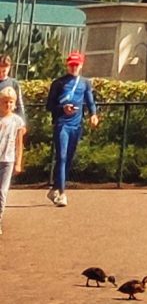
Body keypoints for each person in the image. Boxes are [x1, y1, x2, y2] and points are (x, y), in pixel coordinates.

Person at [46, 51, 98, 207]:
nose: (74, 67)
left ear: (81, 65)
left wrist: (93, 114)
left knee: (68, 159)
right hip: (62, 124)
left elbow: (90, 101)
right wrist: (63, 108)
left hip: (76, 125)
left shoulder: (85, 83)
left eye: (77, 64)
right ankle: (62, 193)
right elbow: (49, 106)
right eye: (71, 64)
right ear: (67, 65)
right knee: (61, 157)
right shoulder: (58, 83)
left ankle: (55, 188)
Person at [0, 80, 25, 235]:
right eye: (4, 102)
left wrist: (18, 162)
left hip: (7, 160)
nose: (8, 105)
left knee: (2, 192)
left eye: (10, 102)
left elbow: (19, 143)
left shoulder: (17, 121)